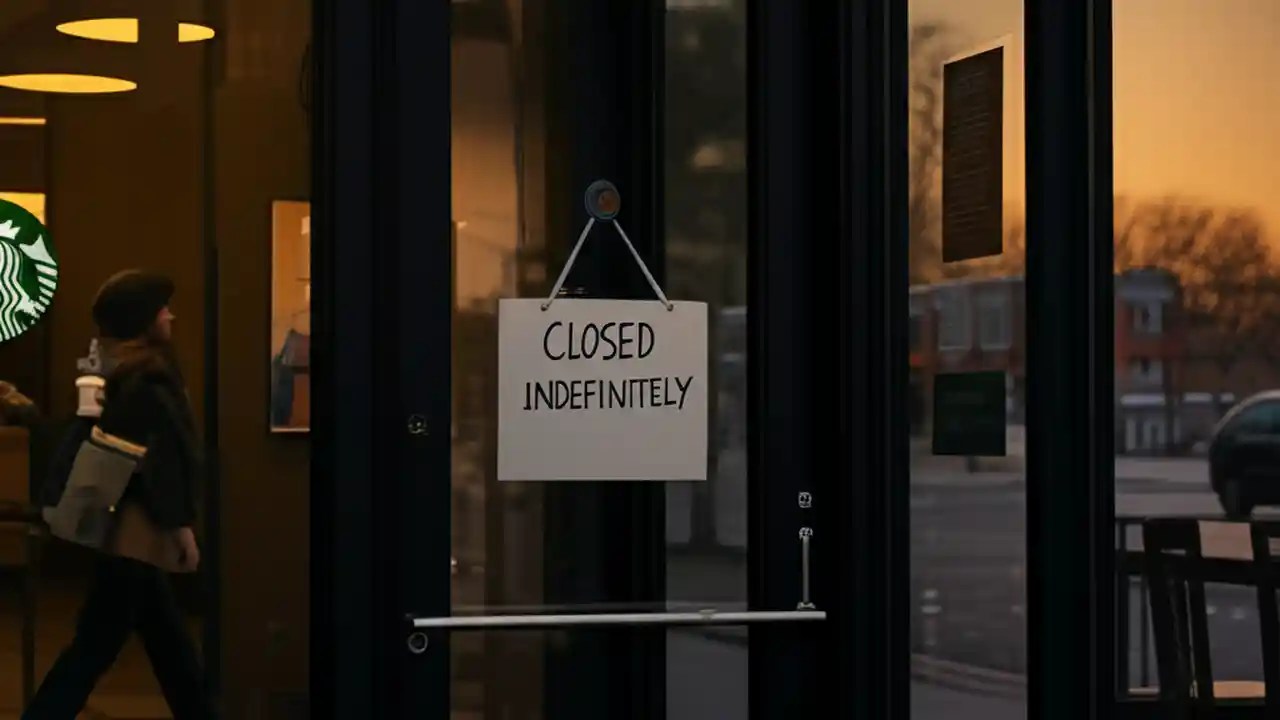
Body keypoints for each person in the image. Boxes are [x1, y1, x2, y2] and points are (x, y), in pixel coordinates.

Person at [25, 269, 213, 719]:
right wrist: (179, 524)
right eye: (162, 308)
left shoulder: (125, 376)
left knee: (160, 646)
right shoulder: (150, 379)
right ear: (143, 320)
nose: (171, 315)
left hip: (127, 534)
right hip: (138, 536)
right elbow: (159, 461)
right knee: (101, 647)